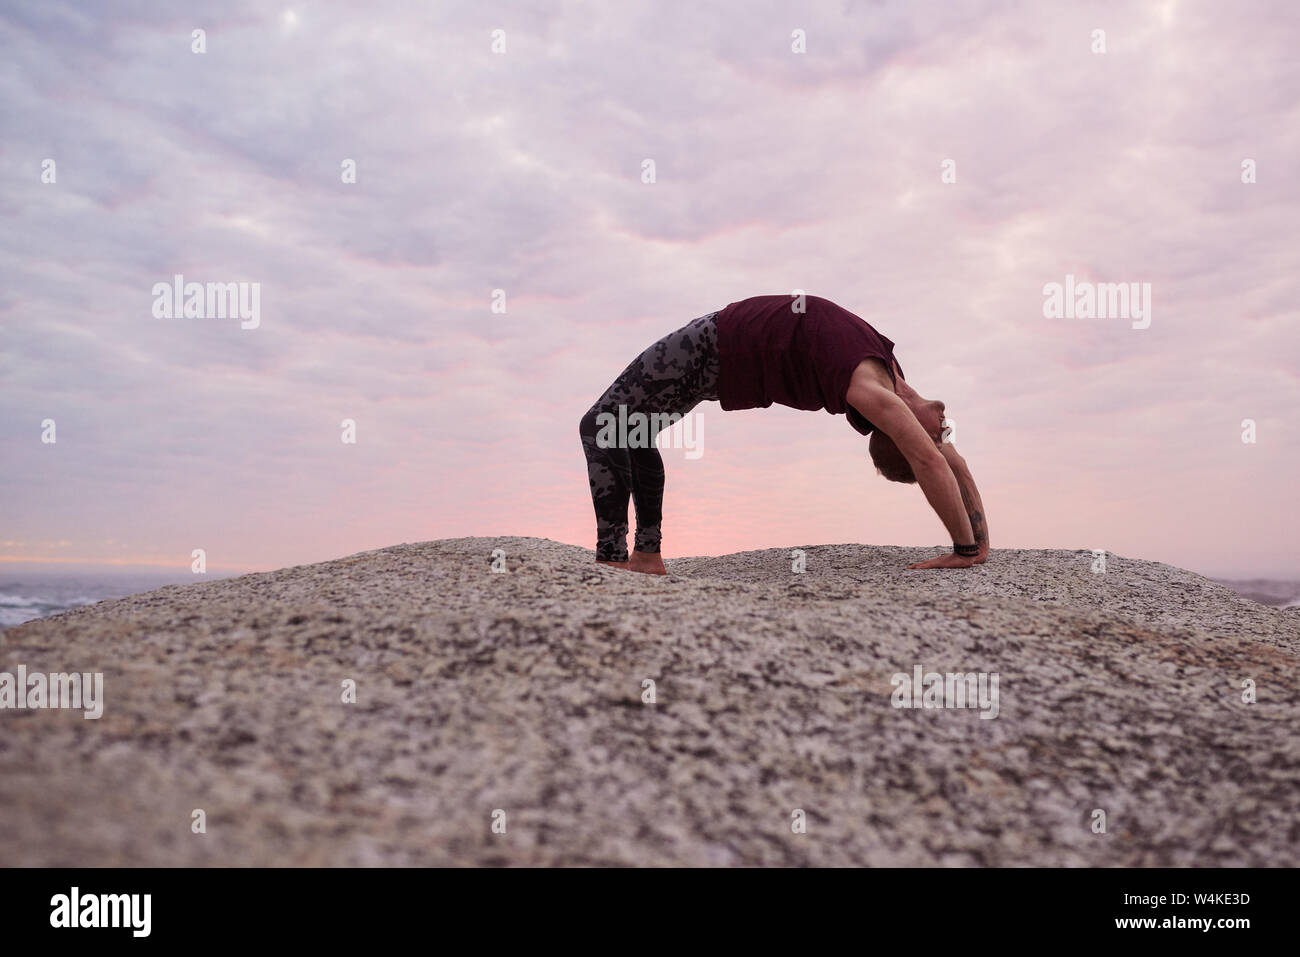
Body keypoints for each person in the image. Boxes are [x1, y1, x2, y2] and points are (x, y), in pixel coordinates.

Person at [578, 294, 989, 574]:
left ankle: (615, 561)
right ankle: (647, 555)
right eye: (945, 433)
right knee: (632, 430)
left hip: (714, 347)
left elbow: (929, 459)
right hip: (720, 354)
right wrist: (979, 548)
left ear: (901, 432)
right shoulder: (894, 376)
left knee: (601, 426)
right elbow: (949, 460)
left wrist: (964, 551)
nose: (945, 428)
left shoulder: (874, 392)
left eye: (938, 433)